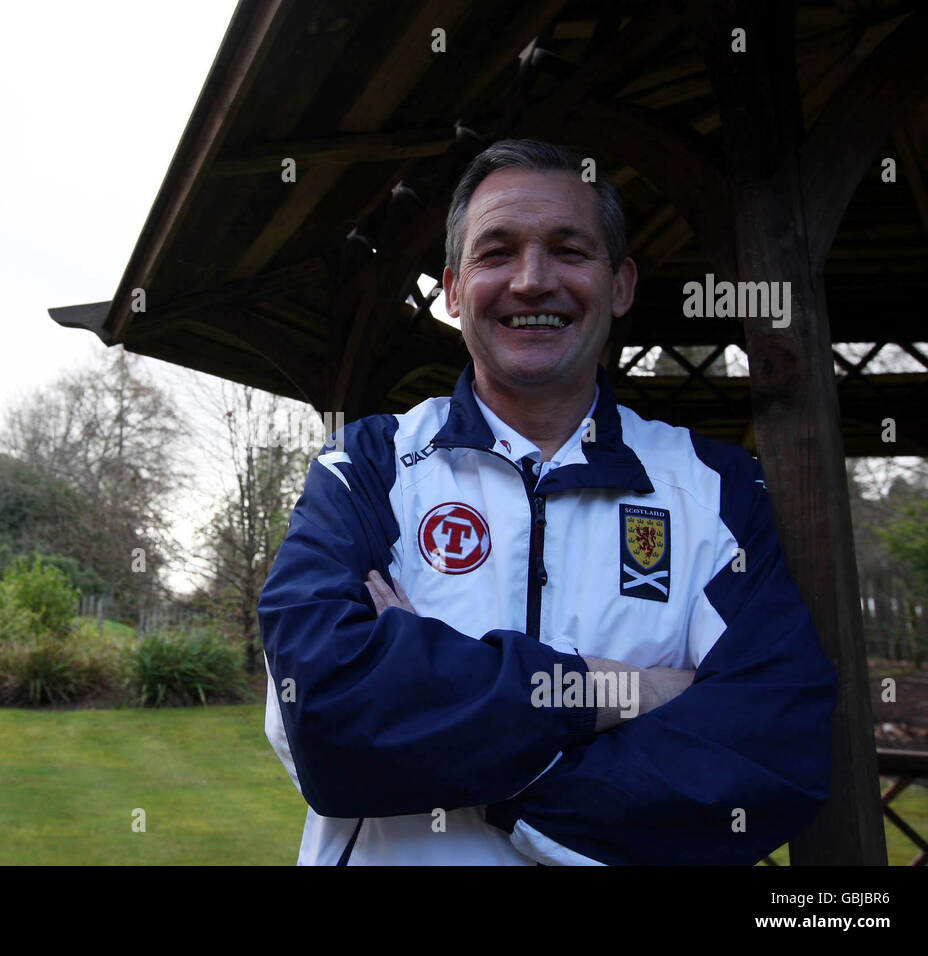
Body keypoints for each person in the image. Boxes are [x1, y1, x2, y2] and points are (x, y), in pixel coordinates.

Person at [257, 138, 837, 866]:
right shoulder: (366, 467)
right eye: (496, 253)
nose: (532, 282)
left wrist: (458, 740)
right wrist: (628, 691)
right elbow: (327, 715)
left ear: (620, 285)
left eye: (569, 250)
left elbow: (768, 754)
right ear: (452, 289)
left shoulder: (717, 488)